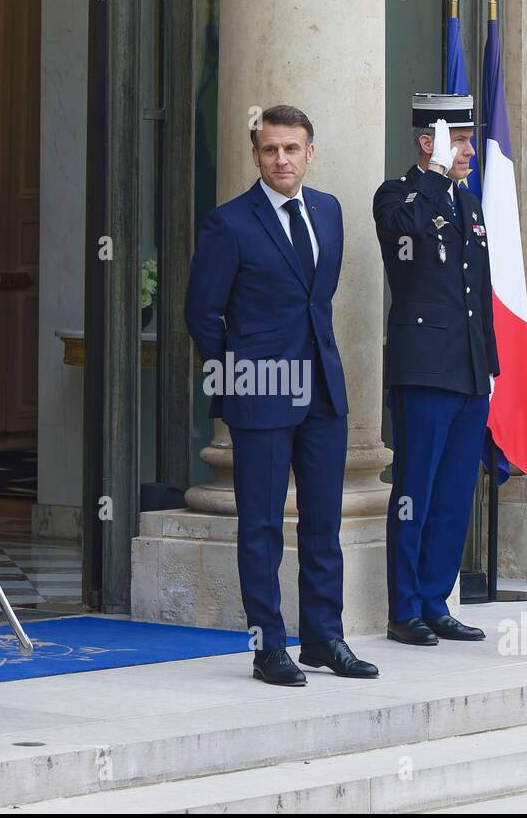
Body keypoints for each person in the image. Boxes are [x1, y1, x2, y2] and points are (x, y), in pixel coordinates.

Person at [184, 104, 377, 686]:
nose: (282, 159)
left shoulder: (329, 211)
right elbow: (201, 314)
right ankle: (268, 647)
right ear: (256, 154)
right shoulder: (230, 222)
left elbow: (318, 301)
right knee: (262, 524)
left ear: (309, 153)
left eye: (291, 149)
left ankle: (323, 638)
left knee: (323, 521)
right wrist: (234, 379)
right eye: (270, 149)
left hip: (321, 389)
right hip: (260, 392)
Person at [373, 93, 498, 647]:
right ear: (430, 142)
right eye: (461, 139)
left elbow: (480, 293)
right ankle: (404, 609)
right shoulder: (399, 196)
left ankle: (435, 599)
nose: (470, 150)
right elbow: (407, 235)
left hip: (469, 371)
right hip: (423, 372)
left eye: (468, 139)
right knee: (415, 492)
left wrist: (491, 366)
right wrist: (436, 173)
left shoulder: (468, 204)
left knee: (453, 495)